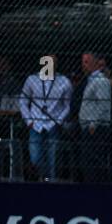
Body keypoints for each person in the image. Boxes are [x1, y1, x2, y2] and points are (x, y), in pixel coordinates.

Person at [18, 55, 73, 183]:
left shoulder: (64, 82)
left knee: (52, 159)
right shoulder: (32, 79)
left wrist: (58, 121)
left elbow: (67, 106)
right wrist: (29, 120)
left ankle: (50, 182)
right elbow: (23, 101)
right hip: (36, 124)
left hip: (52, 124)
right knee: (35, 158)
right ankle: (40, 180)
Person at [78, 51, 112, 183]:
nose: (83, 65)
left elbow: (103, 103)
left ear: (95, 63)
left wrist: (93, 123)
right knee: (88, 162)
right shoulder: (91, 81)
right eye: (83, 62)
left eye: (86, 62)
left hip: (96, 129)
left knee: (93, 163)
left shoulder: (100, 81)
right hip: (89, 128)